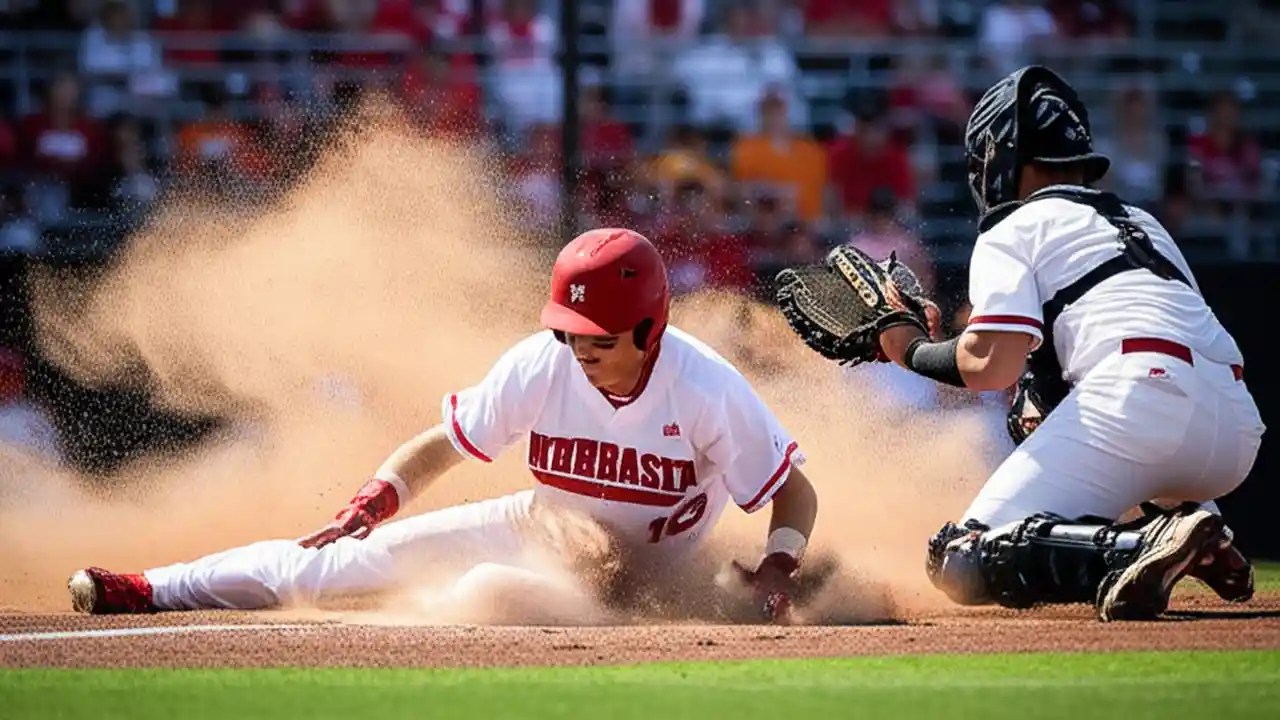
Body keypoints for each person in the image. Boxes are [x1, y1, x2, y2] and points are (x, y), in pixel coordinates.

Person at [68, 229, 819, 623]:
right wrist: (375, 500)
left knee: (490, 597)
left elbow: (794, 494)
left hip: (655, 578)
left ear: (649, 329)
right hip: (541, 526)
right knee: (325, 562)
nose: (579, 349)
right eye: (570, 331)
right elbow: (445, 447)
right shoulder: (542, 362)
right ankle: (150, 588)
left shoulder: (705, 388)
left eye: (599, 337)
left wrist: (781, 565)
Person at [872, 66, 1264, 621]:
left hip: (1138, 401)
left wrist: (906, 346)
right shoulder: (1145, 222)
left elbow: (990, 365)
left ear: (999, 158)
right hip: (1235, 432)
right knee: (1119, 427)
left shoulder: (1011, 228)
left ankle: (1147, 542)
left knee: (958, 559)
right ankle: (1202, 525)